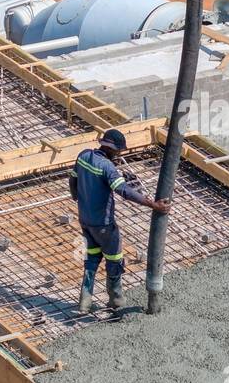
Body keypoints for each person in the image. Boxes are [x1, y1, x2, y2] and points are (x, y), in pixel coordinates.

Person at [72, 128, 170, 313]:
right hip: (104, 224)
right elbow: (124, 191)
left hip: (85, 220)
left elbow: (73, 179)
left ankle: (85, 301)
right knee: (114, 259)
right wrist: (153, 205)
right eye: (118, 151)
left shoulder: (83, 156)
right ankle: (116, 299)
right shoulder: (107, 167)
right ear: (110, 148)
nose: (118, 155)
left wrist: (77, 197)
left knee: (91, 259)